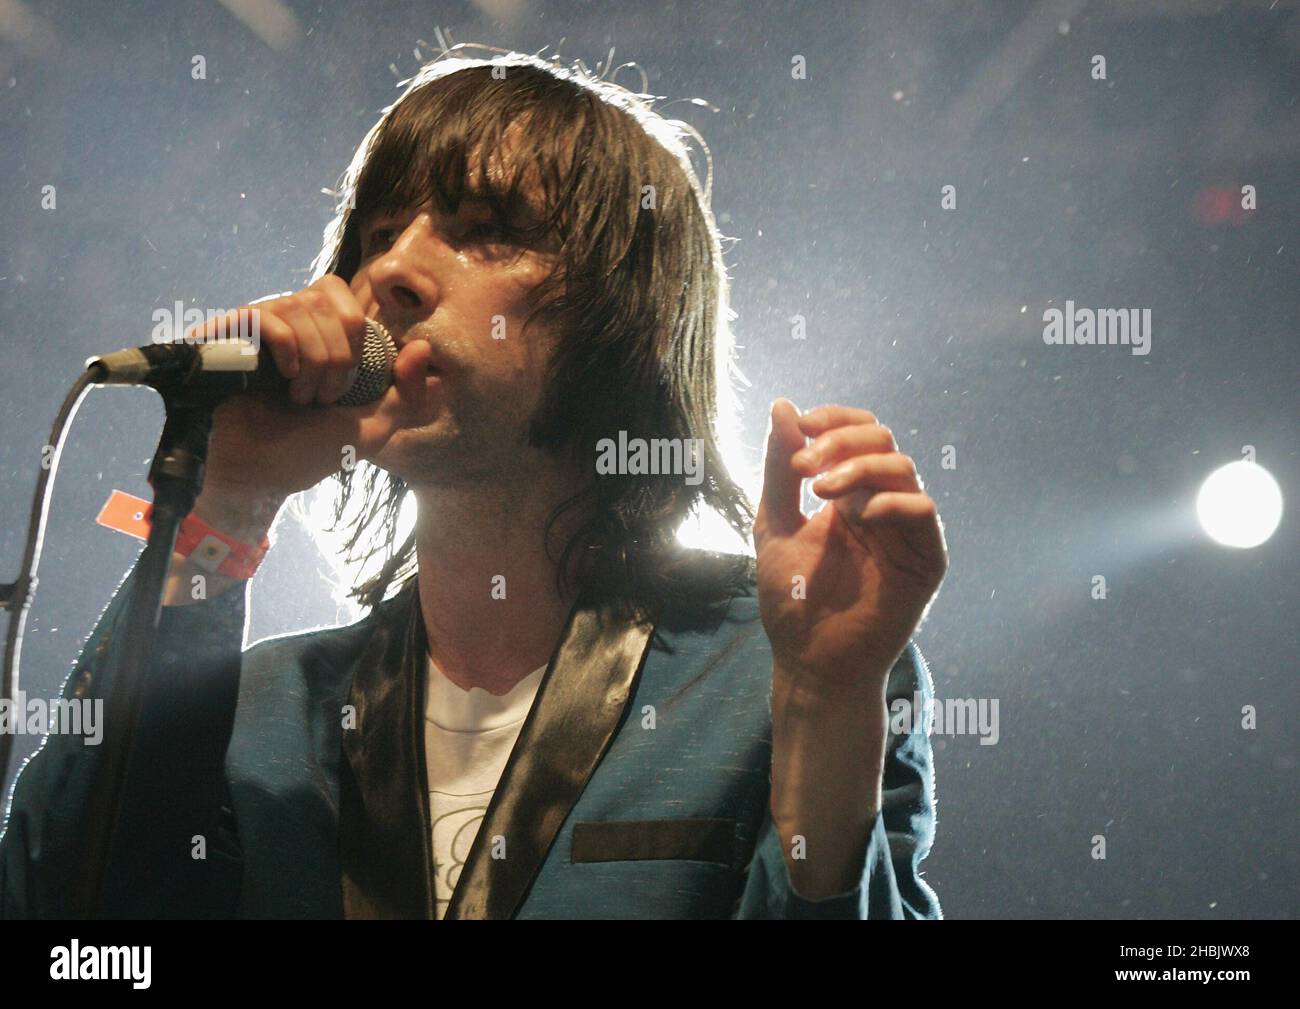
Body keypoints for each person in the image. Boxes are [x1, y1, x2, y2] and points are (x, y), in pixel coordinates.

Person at [0, 50, 948, 919]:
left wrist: (826, 706)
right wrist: (230, 500)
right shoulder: (259, 710)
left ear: (631, 320)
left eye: (486, 231)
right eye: (377, 234)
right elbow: (66, 919)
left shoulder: (782, 673)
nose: (393, 272)